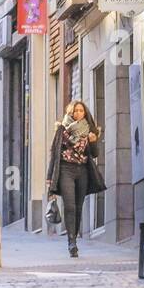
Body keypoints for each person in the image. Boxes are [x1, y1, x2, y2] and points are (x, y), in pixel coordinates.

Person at [46, 100, 101, 258]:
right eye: (75, 111)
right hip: (65, 170)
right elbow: (54, 154)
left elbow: (95, 154)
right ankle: (72, 243)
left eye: (81, 111)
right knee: (69, 206)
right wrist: (50, 178)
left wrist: (93, 141)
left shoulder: (88, 130)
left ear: (85, 113)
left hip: (82, 170)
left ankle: (74, 236)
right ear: (70, 113)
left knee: (78, 207)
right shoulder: (62, 130)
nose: (78, 113)